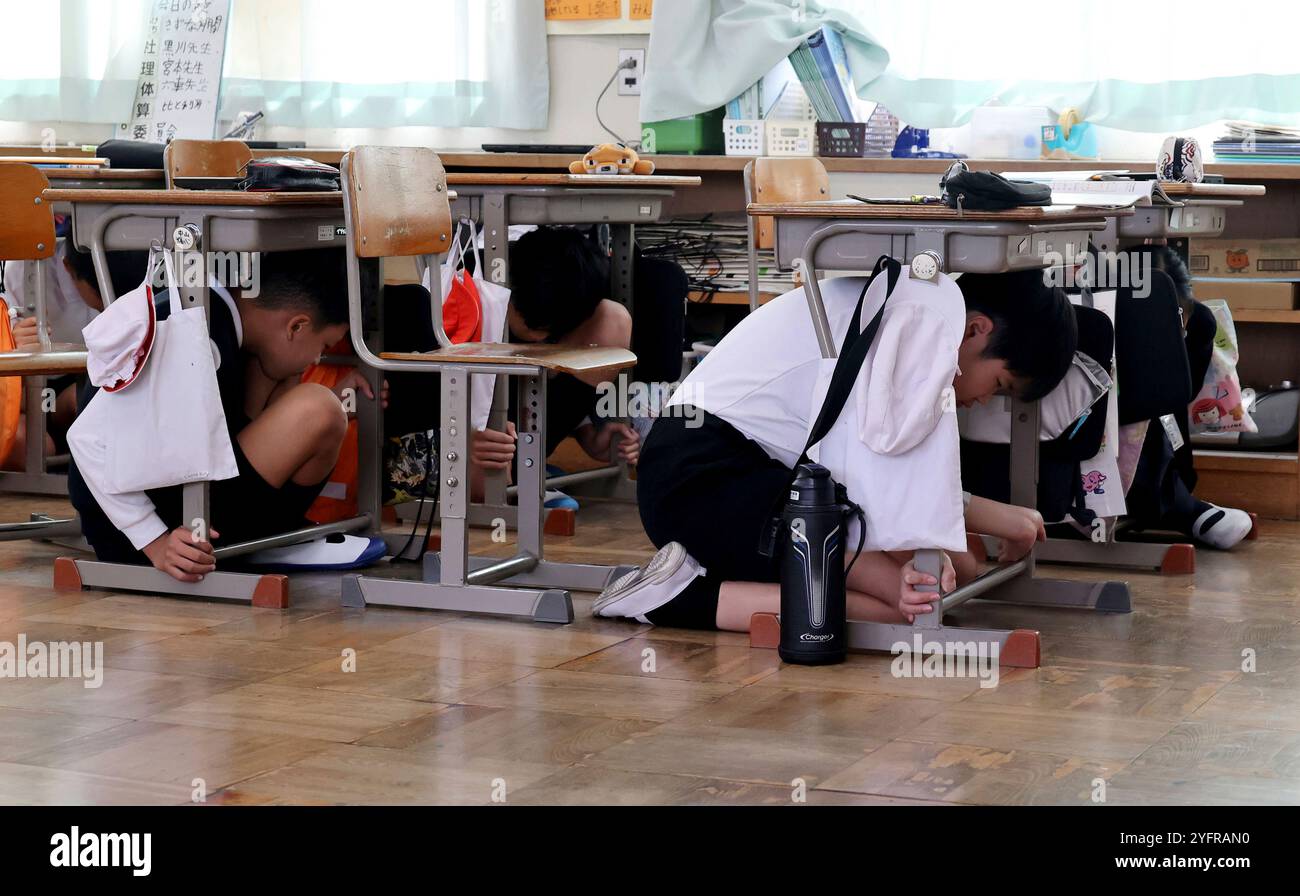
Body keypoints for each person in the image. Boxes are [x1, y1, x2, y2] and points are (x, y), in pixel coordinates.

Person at [595, 267, 1077, 631]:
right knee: (908, 604)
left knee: (958, 566)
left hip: (743, 476)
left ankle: (713, 579)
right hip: (700, 482)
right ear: (976, 330)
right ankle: (673, 599)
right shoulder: (915, 329)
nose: (985, 400)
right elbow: (872, 475)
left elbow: (878, 477)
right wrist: (996, 518)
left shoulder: (909, 305)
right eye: (1000, 384)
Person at [68, 249, 367, 582]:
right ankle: (262, 543)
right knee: (320, 410)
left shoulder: (227, 319)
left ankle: (268, 541)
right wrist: (154, 541)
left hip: (187, 513)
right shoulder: (195, 328)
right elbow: (85, 439)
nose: (317, 360)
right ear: (296, 326)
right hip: (152, 540)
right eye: (323, 347)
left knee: (287, 379)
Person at [1124, 246, 1253, 549]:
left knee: (1198, 330)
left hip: (1159, 411)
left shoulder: (1198, 324)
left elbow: (1180, 395)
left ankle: (1174, 492)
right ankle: (1169, 500)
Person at [0, 244, 148, 469]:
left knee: (98, 402)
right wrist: (11, 344)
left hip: (78, 383)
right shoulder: (16, 268)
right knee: (30, 447)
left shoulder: (121, 257)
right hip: (19, 397)